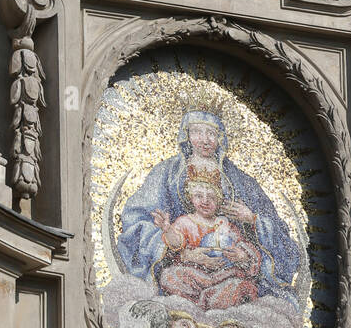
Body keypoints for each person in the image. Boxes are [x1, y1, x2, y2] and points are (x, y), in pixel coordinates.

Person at [116, 107, 301, 305]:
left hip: (229, 268)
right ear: (186, 135)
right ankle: (202, 302)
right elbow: (138, 219)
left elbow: (276, 232)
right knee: (171, 278)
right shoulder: (166, 174)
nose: (205, 140)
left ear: (220, 138)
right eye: (197, 132)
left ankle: (215, 300)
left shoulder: (239, 180)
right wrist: (182, 252)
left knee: (239, 286)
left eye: (211, 133)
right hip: (186, 266)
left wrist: (252, 219)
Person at [156, 170, 262, 311]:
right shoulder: (185, 222)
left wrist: (241, 255)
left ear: (219, 201)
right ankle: (196, 304)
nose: (205, 201)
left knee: (238, 286)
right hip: (195, 275)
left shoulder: (228, 225)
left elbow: (244, 247)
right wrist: (167, 229)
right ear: (191, 198)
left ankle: (211, 301)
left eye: (211, 197)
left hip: (225, 275)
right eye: (199, 196)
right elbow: (176, 243)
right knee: (169, 276)